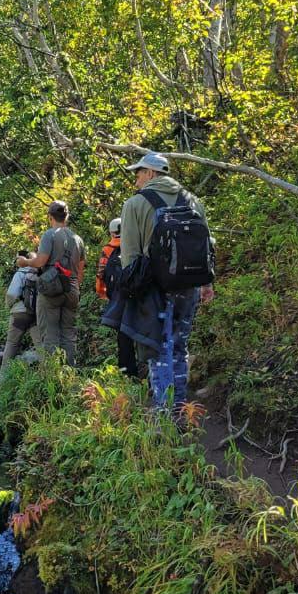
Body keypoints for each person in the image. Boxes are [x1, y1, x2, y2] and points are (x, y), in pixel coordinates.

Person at [120, 152, 214, 411]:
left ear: (150, 173)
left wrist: (130, 290)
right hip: (190, 285)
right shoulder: (192, 200)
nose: (136, 179)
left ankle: (165, 414)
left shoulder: (135, 204)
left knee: (157, 348)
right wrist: (207, 284)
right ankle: (182, 408)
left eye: (138, 173)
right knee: (180, 346)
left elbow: (129, 253)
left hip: (154, 288)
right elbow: (207, 245)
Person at [17, 201, 85, 365]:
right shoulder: (78, 239)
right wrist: (74, 287)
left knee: (50, 333)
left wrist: (25, 261)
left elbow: (41, 261)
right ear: (67, 216)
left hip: (50, 291)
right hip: (72, 289)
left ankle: (53, 375)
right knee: (68, 332)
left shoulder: (50, 235)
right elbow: (80, 269)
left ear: (50, 217)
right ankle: (70, 373)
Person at [96, 218, 139, 379]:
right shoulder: (135, 244)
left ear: (112, 232)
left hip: (118, 297)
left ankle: (128, 373)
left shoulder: (108, 249)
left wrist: (103, 293)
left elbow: (101, 273)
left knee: (123, 336)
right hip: (138, 295)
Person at [0, 252, 41, 368]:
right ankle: (49, 374)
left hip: (19, 313)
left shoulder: (20, 273)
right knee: (40, 345)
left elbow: (12, 294)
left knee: (12, 343)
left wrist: (9, 306)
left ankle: (3, 376)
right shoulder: (41, 273)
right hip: (36, 313)